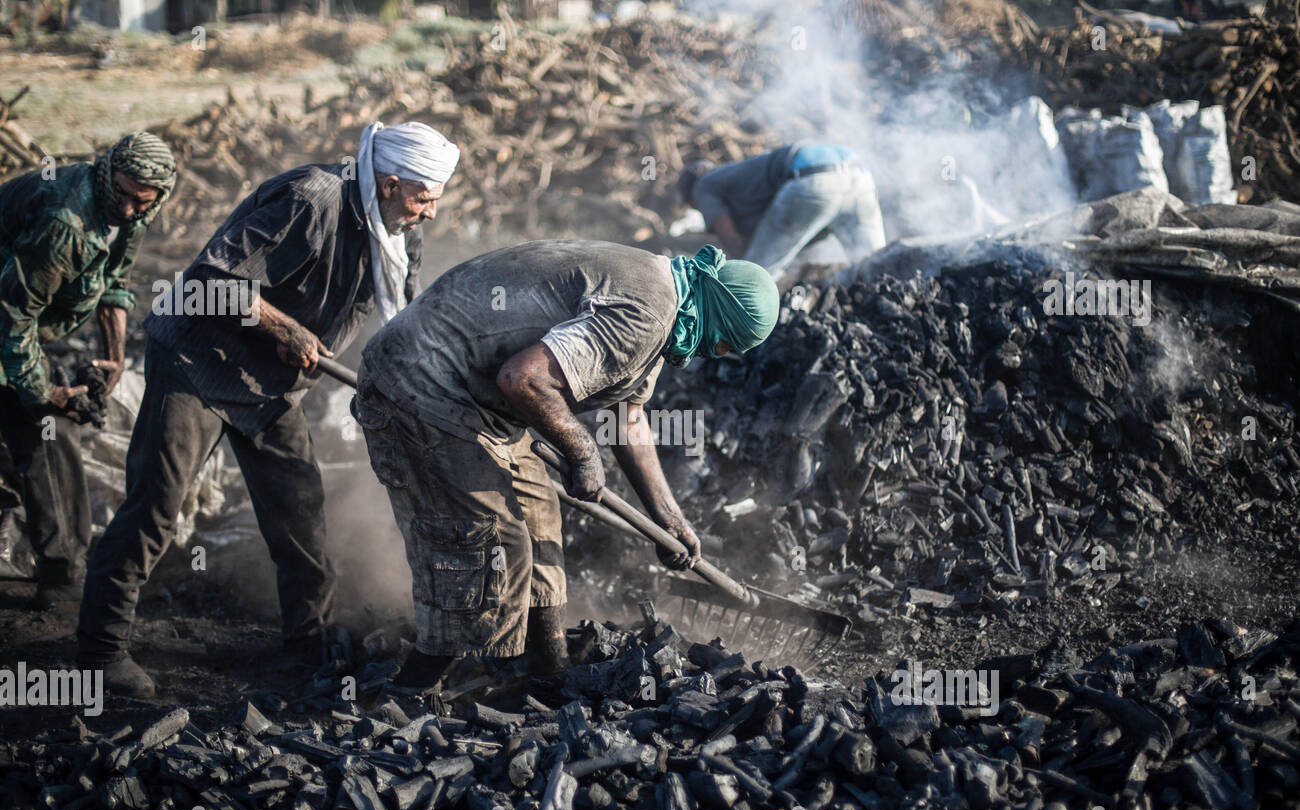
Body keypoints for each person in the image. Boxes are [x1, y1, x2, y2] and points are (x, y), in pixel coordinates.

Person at [75, 121, 459, 698]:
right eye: (424, 197)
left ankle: (306, 644)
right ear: (390, 182)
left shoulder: (397, 233)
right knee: (157, 504)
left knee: (299, 510)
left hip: (270, 381)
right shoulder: (311, 200)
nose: (430, 211)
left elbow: (403, 319)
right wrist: (285, 325)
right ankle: (100, 652)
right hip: (199, 360)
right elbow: (208, 280)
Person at [352, 240, 778, 693]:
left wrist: (669, 518)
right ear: (720, 314)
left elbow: (626, 417)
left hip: (477, 397)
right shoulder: (648, 313)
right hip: (422, 382)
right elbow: (524, 378)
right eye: (725, 342)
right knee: (492, 541)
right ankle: (411, 692)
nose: (715, 351)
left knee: (539, 515)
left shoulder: (671, 301)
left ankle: (548, 671)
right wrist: (582, 451)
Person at [0, 132, 175, 609]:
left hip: (24, 324)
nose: (129, 208)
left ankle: (60, 573)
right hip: (10, 317)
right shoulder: (66, 224)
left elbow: (116, 283)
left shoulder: (134, 212)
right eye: (122, 194)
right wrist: (48, 393)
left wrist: (114, 357)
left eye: (142, 201)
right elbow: (12, 314)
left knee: (49, 435)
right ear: (107, 174)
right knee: (43, 420)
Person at [678, 142, 886, 281]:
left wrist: (746, 263)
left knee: (755, 276)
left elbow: (727, 232)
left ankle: (748, 339)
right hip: (860, 176)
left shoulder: (702, 185)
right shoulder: (736, 177)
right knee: (876, 268)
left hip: (811, 180)